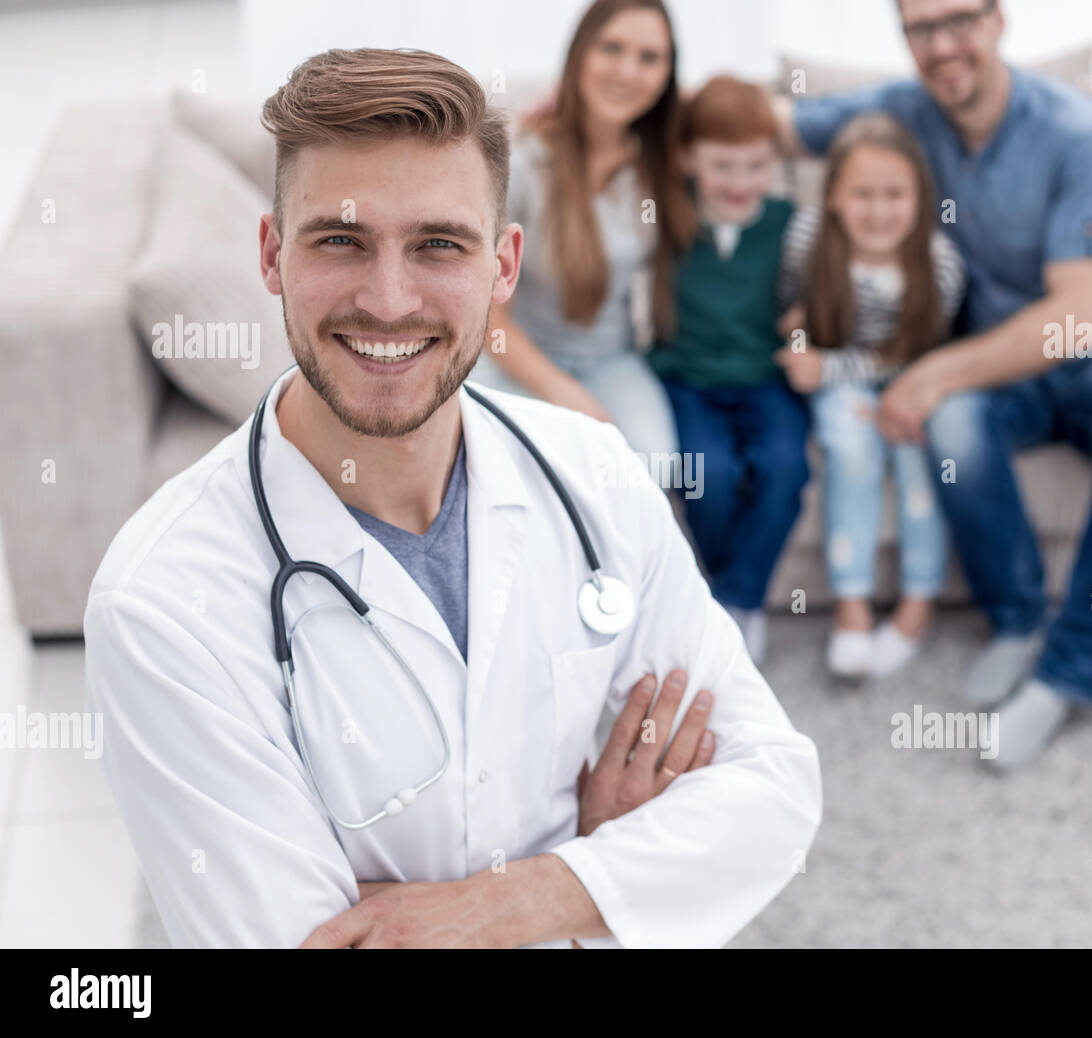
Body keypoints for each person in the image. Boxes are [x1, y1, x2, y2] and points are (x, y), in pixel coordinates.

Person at [82, 47, 821, 948]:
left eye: (439, 244)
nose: (389, 301)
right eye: (340, 240)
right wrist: (610, 872)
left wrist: (520, 899)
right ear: (273, 254)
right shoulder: (164, 604)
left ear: (504, 267)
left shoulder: (595, 474)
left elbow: (776, 790)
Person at [771, 0, 1092, 768]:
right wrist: (609, 106)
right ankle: (1016, 615)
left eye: (959, 18)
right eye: (921, 28)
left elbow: (1079, 317)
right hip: (1001, 362)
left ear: (999, 19)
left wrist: (928, 373)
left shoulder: (1079, 133)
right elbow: (770, 123)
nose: (942, 44)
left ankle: (1070, 673)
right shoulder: (904, 110)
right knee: (955, 426)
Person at [775, 113, 965, 680]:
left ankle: (917, 604)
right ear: (833, 195)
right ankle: (852, 605)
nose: (878, 211)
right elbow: (788, 308)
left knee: (918, 459)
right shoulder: (809, 238)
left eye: (894, 195)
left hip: (912, 374)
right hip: (844, 379)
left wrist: (830, 368)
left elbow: (921, 352)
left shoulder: (940, 263)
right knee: (851, 448)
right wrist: (800, 342)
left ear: (919, 198)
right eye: (862, 194)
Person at [469, 0, 695, 474]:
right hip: (516, 356)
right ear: (579, 55)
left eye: (650, 58)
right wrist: (561, 393)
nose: (628, 72)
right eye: (611, 48)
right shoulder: (523, 156)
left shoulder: (664, 157)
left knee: (654, 470)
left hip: (610, 361)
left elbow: (747, 125)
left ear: (668, 74)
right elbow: (485, 311)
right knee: (521, 473)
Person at [648, 76, 810, 665]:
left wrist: (805, 330)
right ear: (689, 158)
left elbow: (812, 300)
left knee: (784, 467)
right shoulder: (666, 214)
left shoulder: (791, 222)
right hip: (687, 377)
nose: (740, 183)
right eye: (723, 166)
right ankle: (726, 593)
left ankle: (736, 598)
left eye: (755, 166)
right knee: (705, 473)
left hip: (765, 378)